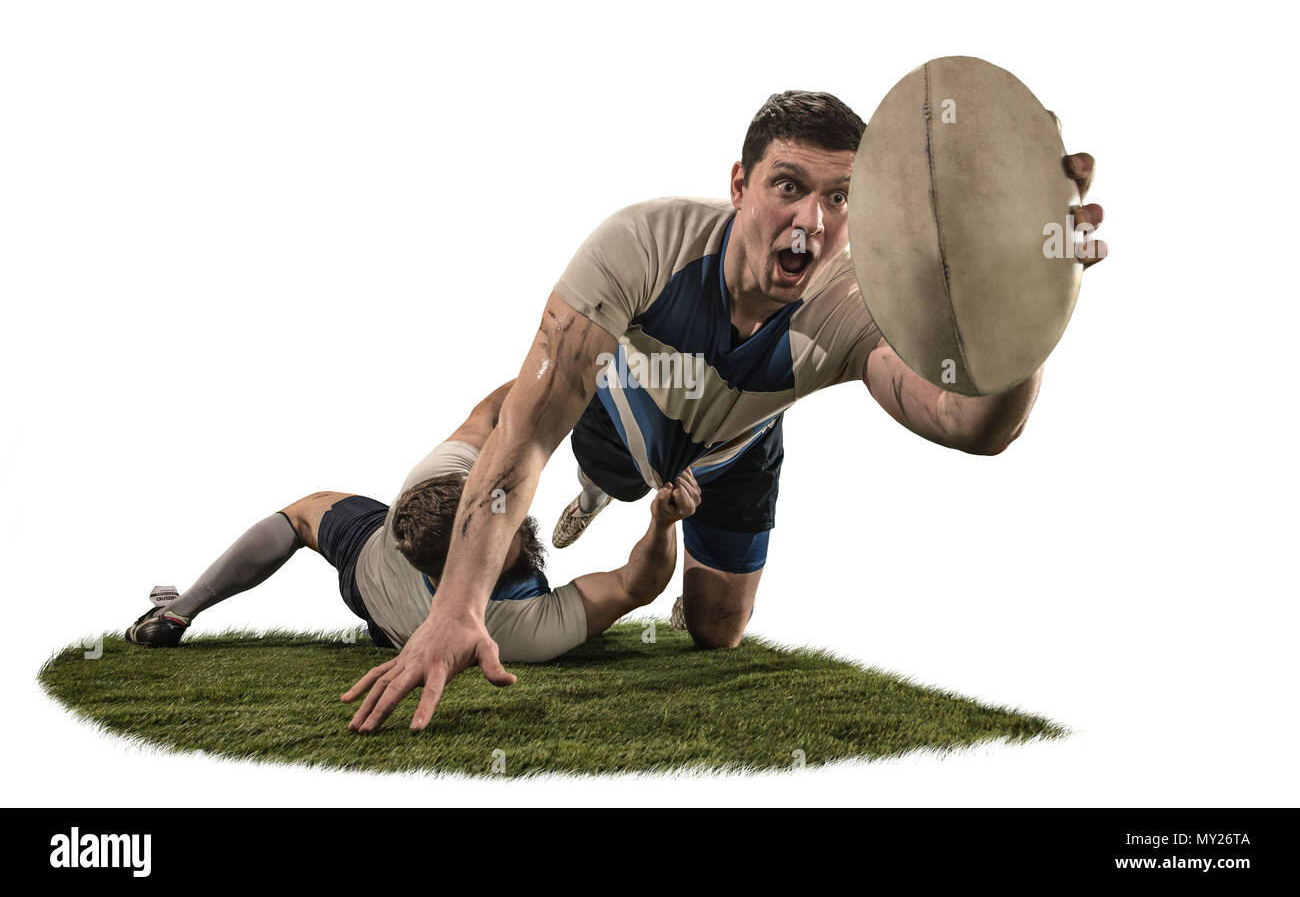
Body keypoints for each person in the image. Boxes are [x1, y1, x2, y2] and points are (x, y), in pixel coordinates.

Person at [343, 89, 1108, 734]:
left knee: (718, 635)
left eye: (840, 197)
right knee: (598, 469)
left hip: (737, 455)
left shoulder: (854, 303)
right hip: (624, 418)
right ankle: (598, 497)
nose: (812, 221)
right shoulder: (641, 244)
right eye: (788, 186)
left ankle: (665, 538)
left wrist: (1035, 308)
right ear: (740, 183)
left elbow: (974, 428)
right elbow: (524, 439)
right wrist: (458, 606)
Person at [126, 381, 702, 661]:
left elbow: (491, 413)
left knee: (306, 512)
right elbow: (635, 586)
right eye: (495, 525)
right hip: (398, 611)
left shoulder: (424, 493)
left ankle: (179, 611)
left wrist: (570, 372)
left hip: (370, 577)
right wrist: (663, 522)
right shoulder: (522, 628)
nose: (507, 507)